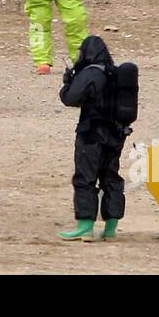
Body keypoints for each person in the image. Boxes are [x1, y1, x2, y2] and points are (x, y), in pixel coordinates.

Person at [57, 36, 129, 241]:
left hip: (91, 134)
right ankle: (111, 228)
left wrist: (68, 82)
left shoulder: (92, 73)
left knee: (85, 178)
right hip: (116, 135)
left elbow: (70, 98)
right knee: (111, 177)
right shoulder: (116, 74)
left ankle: (85, 226)